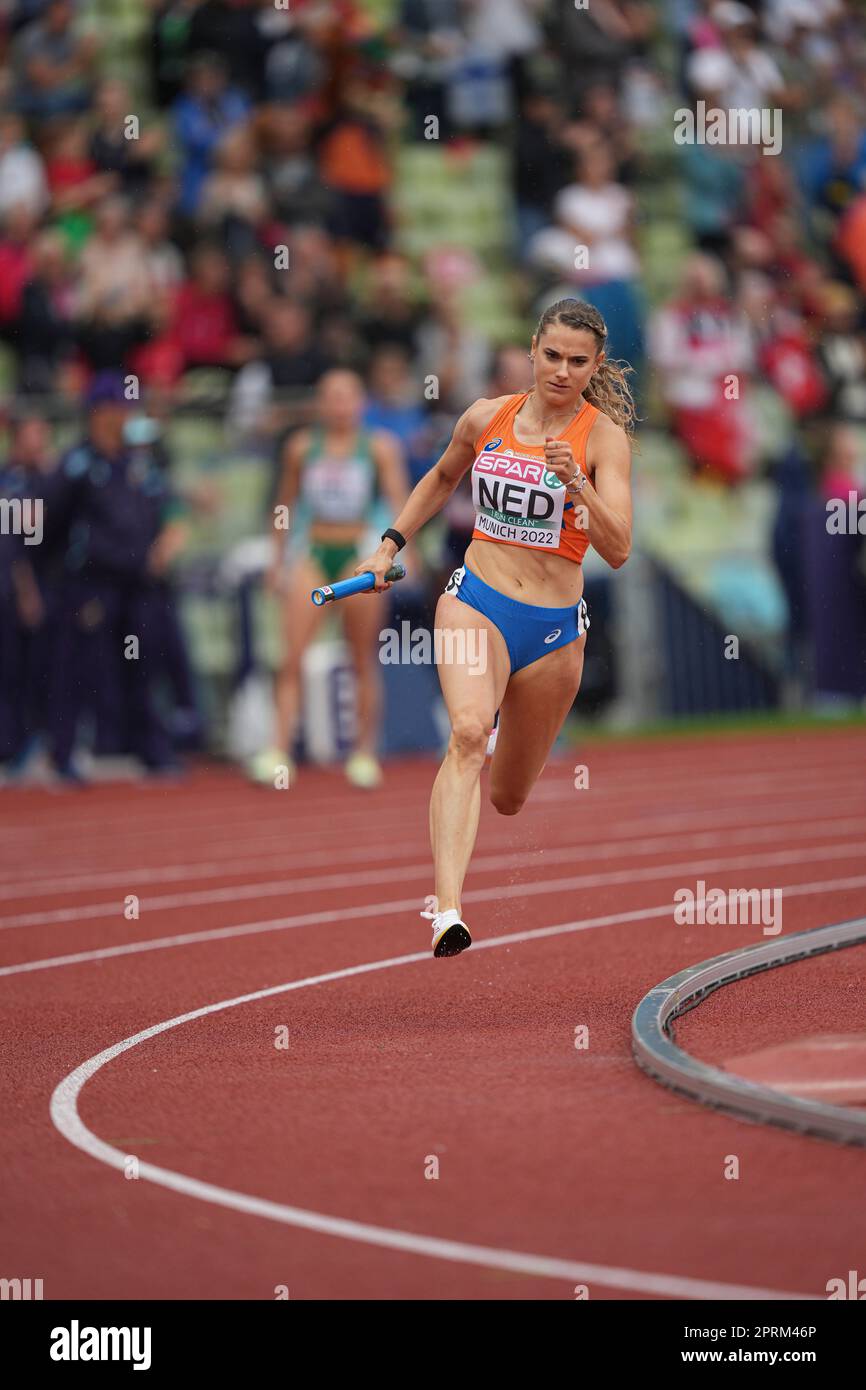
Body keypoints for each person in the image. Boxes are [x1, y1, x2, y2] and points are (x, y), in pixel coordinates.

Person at [352, 298, 635, 957]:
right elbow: (442, 476)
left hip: (554, 634)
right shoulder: (487, 416)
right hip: (476, 601)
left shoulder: (603, 440)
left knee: (508, 796)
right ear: (533, 350)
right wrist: (388, 547)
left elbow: (618, 549)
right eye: (552, 356)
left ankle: (506, 722)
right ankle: (446, 910)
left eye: (577, 361)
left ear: (594, 367)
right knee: (468, 733)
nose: (561, 371)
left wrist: (581, 488)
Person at [249, 368, 408, 790]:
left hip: (357, 556)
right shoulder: (302, 447)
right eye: (331, 397)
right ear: (320, 403)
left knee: (360, 658)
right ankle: (278, 748)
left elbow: (401, 507)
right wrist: (276, 559)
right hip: (314, 550)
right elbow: (284, 504)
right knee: (291, 655)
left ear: (360, 403)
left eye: (346, 397)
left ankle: (362, 752)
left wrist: (391, 557)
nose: (338, 406)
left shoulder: (379, 448)